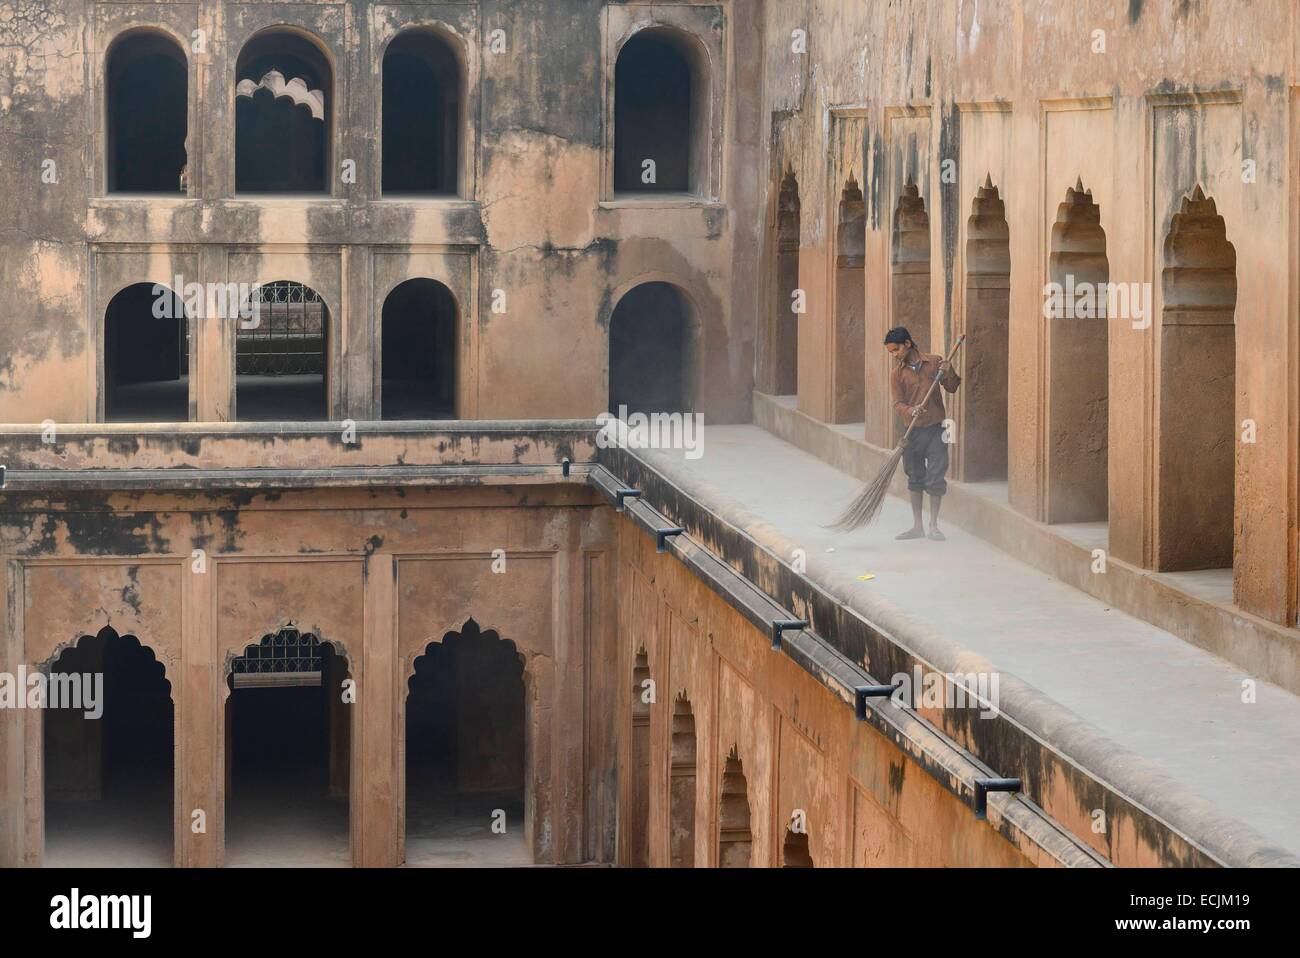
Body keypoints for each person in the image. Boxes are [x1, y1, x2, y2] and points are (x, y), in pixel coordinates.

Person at [884, 326, 961, 541]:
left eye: (896, 349)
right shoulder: (897, 373)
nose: (894, 354)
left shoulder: (935, 362)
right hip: (912, 432)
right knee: (915, 477)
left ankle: (934, 525)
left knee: (936, 477)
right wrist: (910, 410)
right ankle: (917, 526)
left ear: (907, 343)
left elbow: (953, 387)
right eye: (891, 351)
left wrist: (949, 371)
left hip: (936, 429)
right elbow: (897, 403)